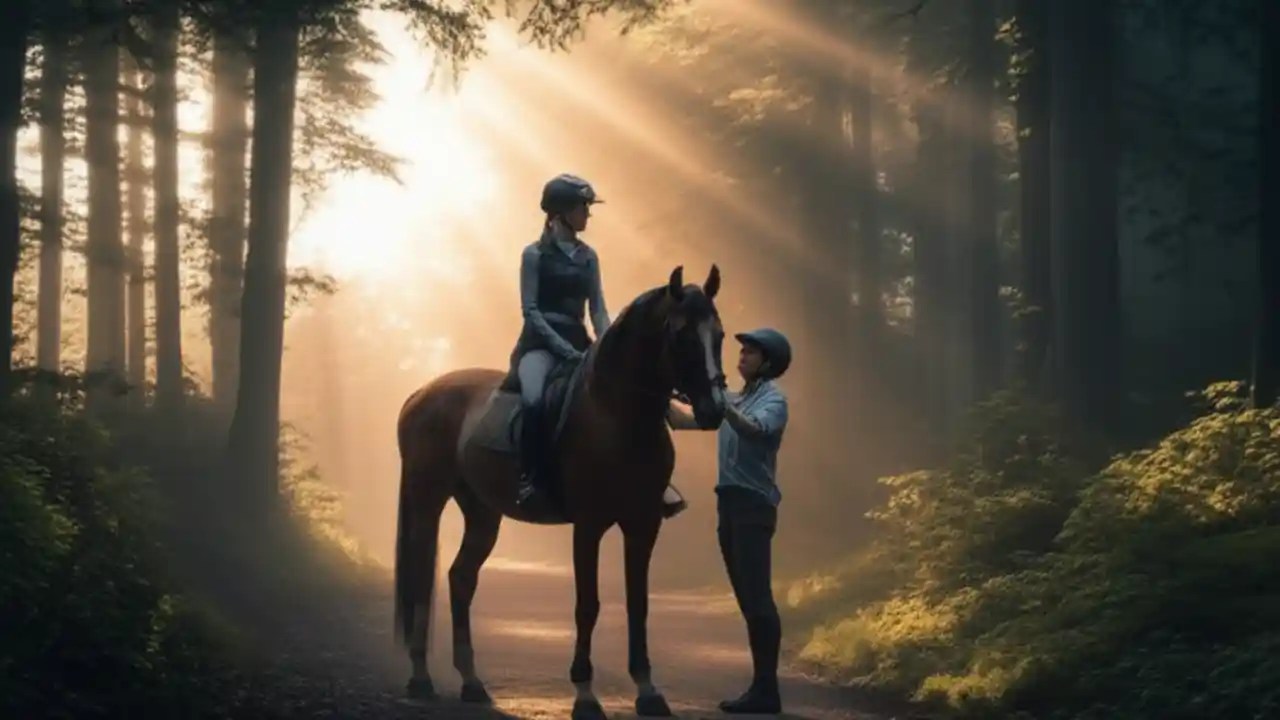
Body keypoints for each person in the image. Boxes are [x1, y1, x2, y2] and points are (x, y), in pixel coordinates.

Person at [513, 173, 686, 518]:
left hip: (582, 344)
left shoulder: (589, 257)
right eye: (583, 207)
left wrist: (609, 346)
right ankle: (529, 478)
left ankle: (653, 481)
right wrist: (562, 349)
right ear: (561, 211)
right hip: (539, 346)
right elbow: (530, 311)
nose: (587, 215)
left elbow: (599, 309)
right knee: (533, 400)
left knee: (626, 397)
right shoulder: (533, 255)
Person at [667, 327, 791, 714]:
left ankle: (767, 690)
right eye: (742, 351)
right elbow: (683, 422)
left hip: (754, 507)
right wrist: (659, 395)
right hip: (729, 506)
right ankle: (761, 688)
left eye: (751, 353)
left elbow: (756, 430)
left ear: (768, 363)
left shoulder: (774, 400)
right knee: (747, 599)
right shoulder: (737, 399)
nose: (741, 357)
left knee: (758, 599)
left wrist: (722, 403)